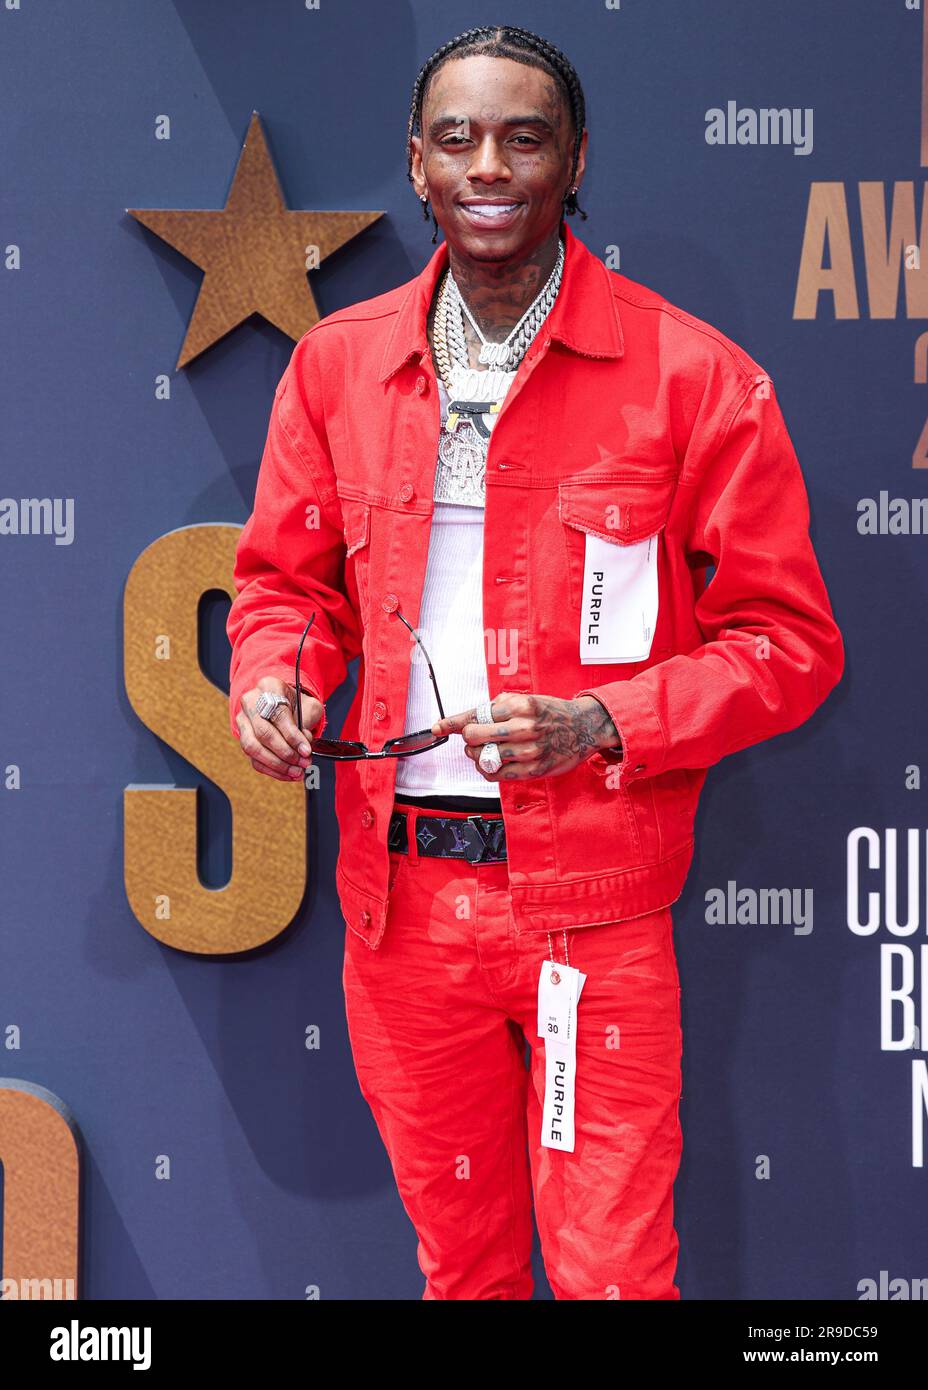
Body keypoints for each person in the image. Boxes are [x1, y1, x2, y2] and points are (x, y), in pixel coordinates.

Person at [226, 24, 844, 1300]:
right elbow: (286, 585)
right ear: (415, 164)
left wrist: (605, 721)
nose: (487, 163)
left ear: (574, 159)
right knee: (465, 1270)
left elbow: (788, 645)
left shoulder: (693, 377)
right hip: (399, 916)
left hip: (592, 910)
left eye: (523, 135)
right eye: (456, 137)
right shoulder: (337, 365)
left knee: (614, 1271)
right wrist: (278, 677)